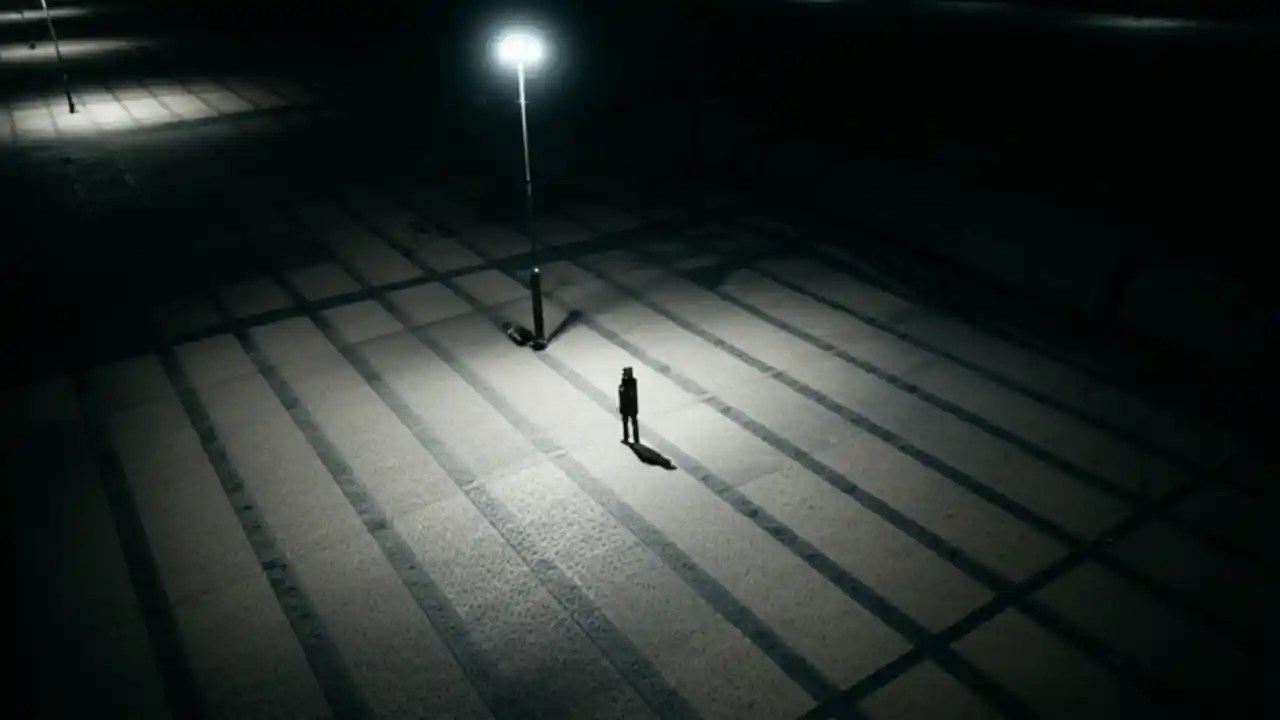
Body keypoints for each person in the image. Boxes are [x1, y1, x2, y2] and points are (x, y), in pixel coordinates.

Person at [618, 367, 639, 444]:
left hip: (630, 406)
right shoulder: (624, 381)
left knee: (633, 422)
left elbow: (629, 394)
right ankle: (627, 438)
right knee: (626, 422)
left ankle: (635, 439)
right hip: (626, 406)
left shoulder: (631, 382)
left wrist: (622, 389)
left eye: (625, 372)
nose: (623, 374)